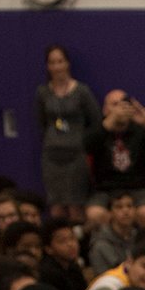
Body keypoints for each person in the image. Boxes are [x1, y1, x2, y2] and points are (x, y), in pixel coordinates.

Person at [35, 45, 99, 218]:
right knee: (56, 206)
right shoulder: (42, 92)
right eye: (52, 62)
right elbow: (41, 122)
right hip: (52, 156)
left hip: (76, 155)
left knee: (75, 206)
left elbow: (95, 120)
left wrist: (82, 141)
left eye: (60, 61)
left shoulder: (81, 91)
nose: (57, 66)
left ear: (67, 63)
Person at [84, 90, 145, 212]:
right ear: (105, 109)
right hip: (105, 190)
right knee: (95, 213)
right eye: (115, 105)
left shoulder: (140, 130)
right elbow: (86, 148)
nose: (120, 109)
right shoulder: (98, 130)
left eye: (124, 104)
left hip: (139, 189)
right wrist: (109, 123)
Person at [85, 190, 140, 275]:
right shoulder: (100, 244)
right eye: (119, 207)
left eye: (129, 206)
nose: (126, 211)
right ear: (109, 213)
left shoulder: (140, 238)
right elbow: (104, 278)